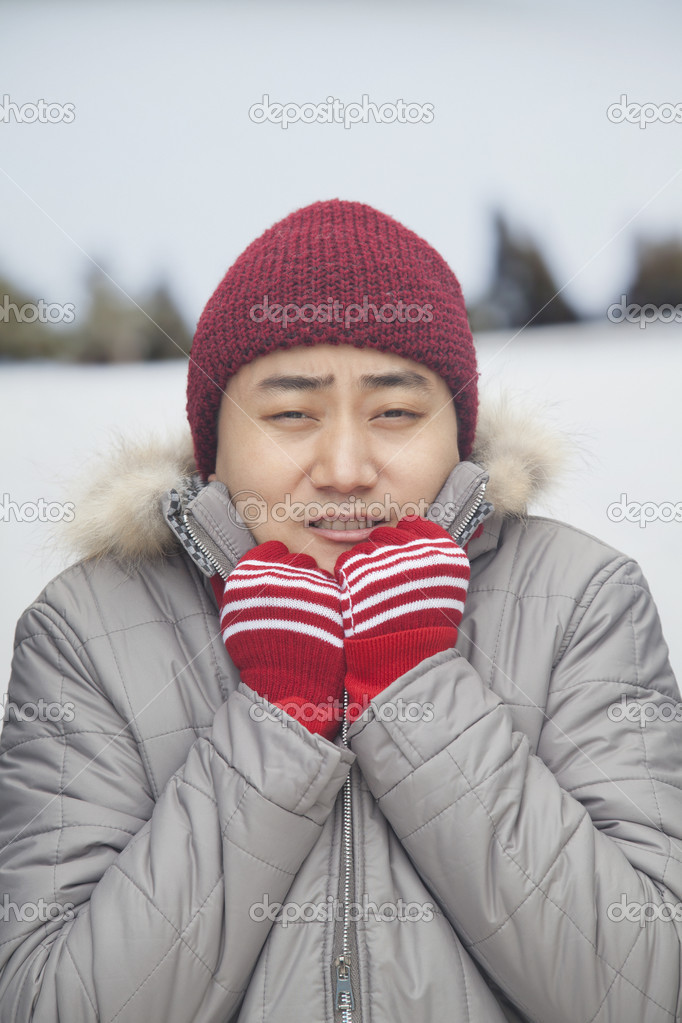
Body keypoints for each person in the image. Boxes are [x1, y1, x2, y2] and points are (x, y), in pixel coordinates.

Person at [0, 199, 681, 1022]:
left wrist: (414, 687)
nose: (348, 467)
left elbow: (650, 988)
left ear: (457, 434)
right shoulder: (88, 630)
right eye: (290, 413)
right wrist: (278, 716)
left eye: (396, 411)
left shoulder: (580, 598)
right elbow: (50, 1003)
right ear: (213, 442)